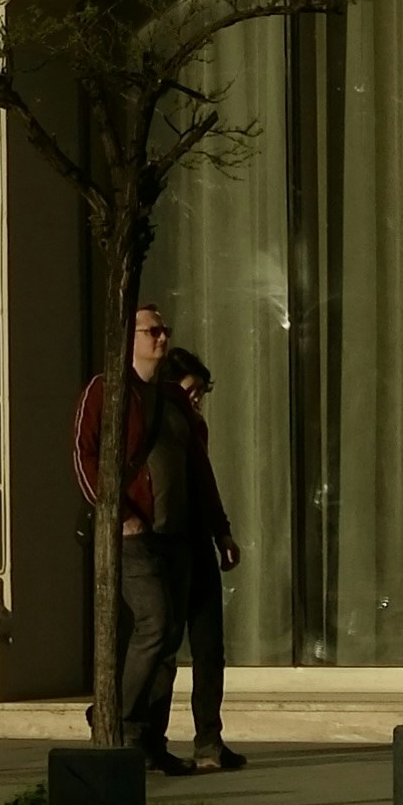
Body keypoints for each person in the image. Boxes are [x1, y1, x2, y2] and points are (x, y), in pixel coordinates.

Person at [73, 297, 231, 769]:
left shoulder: (176, 399)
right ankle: (115, 718)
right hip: (134, 533)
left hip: (181, 534)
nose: (162, 338)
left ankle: (147, 740)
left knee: (167, 642)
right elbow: (85, 458)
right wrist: (118, 514)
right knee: (155, 624)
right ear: (127, 340)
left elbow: (198, 469)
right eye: (151, 332)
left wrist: (220, 529)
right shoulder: (106, 391)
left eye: (163, 331)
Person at [162, 346, 246, 764]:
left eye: (201, 392)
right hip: (165, 541)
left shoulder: (196, 428)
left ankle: (208, 739)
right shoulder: (156, 423)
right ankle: (144, 734)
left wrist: (221, 531)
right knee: (159, 642)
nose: (196, 399)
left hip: (196, 539)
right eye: (191, 390)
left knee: (209, 644)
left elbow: (205, 483)